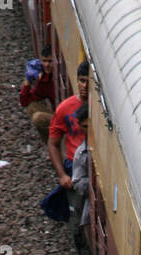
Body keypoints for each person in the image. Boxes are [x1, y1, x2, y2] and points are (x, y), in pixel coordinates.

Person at [48, 60, 89, 190]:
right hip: (74, 165)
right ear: (77, 80)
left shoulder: (101, 108)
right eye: (82, 81)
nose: (85, 86)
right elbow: (53, 143)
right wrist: (62, 175)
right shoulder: (65, 108)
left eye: (89, 82)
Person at [19, 44, 55, 143]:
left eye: (50, 61)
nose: (47, 65)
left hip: (67, 118)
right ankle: (50, 144)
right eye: (44, 61)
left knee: (38, 118)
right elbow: (25, 101)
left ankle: (52, 143)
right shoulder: (45, 80)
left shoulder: (50, 79)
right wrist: (28, 80)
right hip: (58, 116)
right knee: (31, 107)